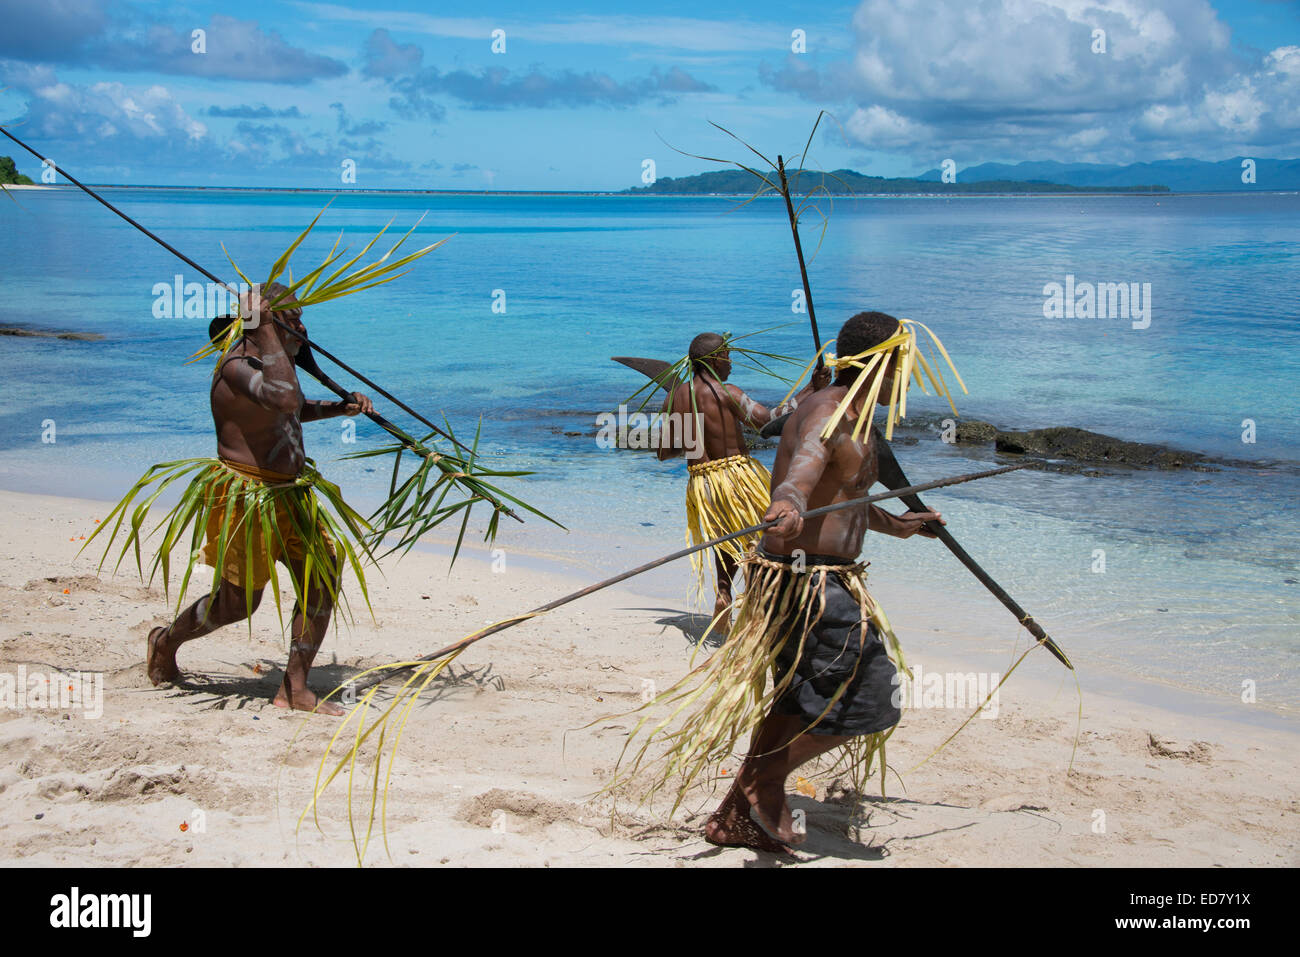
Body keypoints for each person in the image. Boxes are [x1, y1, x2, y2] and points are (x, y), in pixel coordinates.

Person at [144, 283, 373, 716]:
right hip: (248, 495)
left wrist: (339, 409)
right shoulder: (235, 366)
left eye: (301, 318)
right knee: (237, 603)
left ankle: (295, 686)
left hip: (292, 494)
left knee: (321, 577)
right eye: (293, 318)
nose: (303, 326)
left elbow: (292, 407)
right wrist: (265, 326)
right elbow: (283, 396)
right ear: (260, 320)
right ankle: (164, 641)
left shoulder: (274, 365)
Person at [656, 332, 829, 625]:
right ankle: (757, 606)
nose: (731, 363)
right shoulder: (727, 392)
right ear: (712, 361)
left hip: (702, 484)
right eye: (726, 356)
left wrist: (692, 433)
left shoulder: (676, 398)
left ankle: (724, 595)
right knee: (765, 540)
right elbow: (767, 420)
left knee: (725, 539)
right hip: (737, 478)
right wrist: (813, 387)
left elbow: (665, 452)